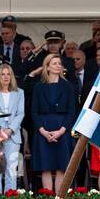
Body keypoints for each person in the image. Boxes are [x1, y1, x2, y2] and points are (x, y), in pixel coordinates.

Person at [30, 53, 73, 191]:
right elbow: (34, 112)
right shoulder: (38, 87)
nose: (58, 66)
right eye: (54, 63)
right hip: (44, 129)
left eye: (59, 64)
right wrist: (43, 131)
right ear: (47, 67)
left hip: (62, 129)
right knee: (46, 167)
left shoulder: (68, 86)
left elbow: (72, 112)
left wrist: (61, 131)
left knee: (61, 167)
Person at [0, 63, 23, 193]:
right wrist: (1, 130)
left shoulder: (20, 93)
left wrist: (9, 130)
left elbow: (21, 113)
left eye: (8, 74)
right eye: (3, 74)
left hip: (13, 136)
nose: (6, 77)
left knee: (11, 170)